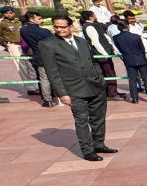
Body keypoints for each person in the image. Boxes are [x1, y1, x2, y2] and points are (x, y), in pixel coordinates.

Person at [37, 15, 116, 161]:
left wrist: (100, 79)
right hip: (74, 89)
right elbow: (52, 71)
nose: (59, 30)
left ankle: (99, 144)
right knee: (81, 121)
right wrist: (62, 93)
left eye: (63, 27)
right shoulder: (48, 44)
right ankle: (88, 150)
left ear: (71, 27)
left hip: (95, 86)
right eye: (56, 27)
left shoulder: (82, 41)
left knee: (98, 118)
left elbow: (93, 61)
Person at [0, 6, 38, 97]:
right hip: (13, 45)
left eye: (10, 12)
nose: (9, 14)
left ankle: (35, 85)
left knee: (31, 65)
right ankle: (30, 88)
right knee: (21, 67)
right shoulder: (0, 24)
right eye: (6, 13)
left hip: (24, 45)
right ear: (3, 14)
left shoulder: (19, 22)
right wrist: (5, 45)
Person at [112, 20, 147, 103]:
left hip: (128, 60)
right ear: (127, 26)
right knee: (146, 78)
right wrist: (141, 56)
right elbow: (142, 48)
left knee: (132, 80)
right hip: (140, 59)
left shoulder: (116, 37)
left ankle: (134, 99)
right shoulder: (136, 36)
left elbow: (119, 49)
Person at [19, 11, 57, 107]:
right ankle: (49, 98)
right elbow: (53, 42)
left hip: (37, 55)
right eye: (39, 18)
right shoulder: (43, 32)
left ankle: (47, 99)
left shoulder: (23, 30)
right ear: (31, 19)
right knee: (47, 78)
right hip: (47, 55)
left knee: (43, 77)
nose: (41, 20)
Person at [77, 11, 118, 100]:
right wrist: (104, 54)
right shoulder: (89, 27)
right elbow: (95, 42)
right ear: (91, 17)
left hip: (103, 52)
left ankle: (112, 92)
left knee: (108, 72)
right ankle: (112, 93)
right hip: (100, 53)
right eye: (94, 15)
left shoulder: (92, 26)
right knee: (109, 72)